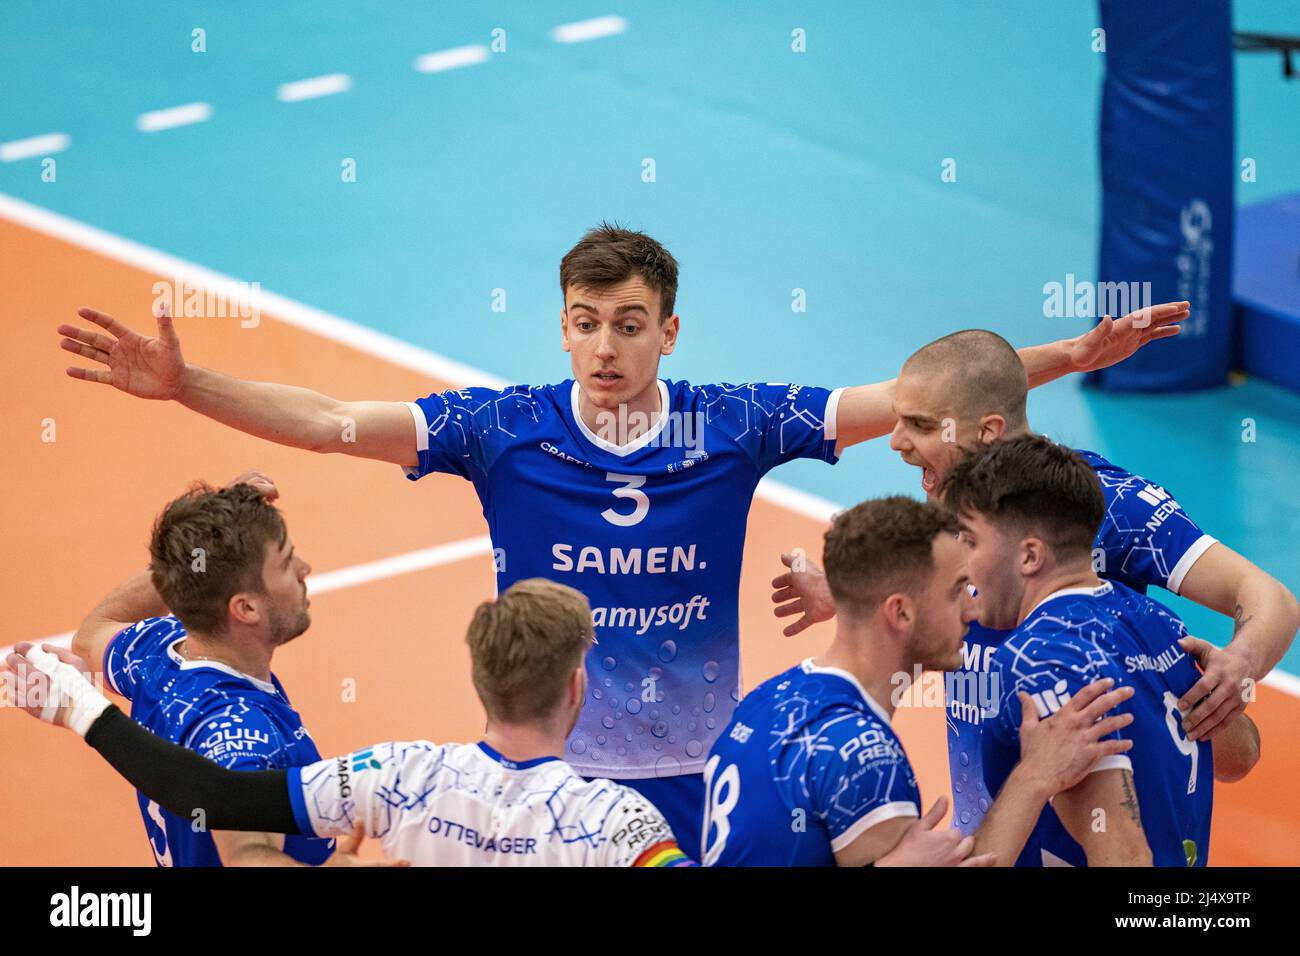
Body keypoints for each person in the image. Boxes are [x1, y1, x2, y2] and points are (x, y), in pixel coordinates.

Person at [57, 224, 1185, 848]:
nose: (607, 346)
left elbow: (906, 396)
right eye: (587, 324)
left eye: (631, 325)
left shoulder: (728, 421)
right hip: (545, 775)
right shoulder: (496, 428)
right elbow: (327, 422)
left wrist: (1060, 360)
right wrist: (189, 382)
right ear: (562, 327)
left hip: (699, 777)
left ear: (668, 331)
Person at [771, 329, 1297, 833]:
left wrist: (1238, 669)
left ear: (989, 432)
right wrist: (846, 596)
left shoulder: (1103, 505)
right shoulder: (957, 508)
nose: (895, 441)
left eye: (921, 425)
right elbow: (935, 608)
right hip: (992, 838)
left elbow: (1266, 596)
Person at [6, 579, 707, 866]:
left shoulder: (393, 776)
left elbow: (214, 795)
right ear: (577, 686)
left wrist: (81, 709)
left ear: (479, 680)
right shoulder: (622, 824)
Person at [703, 496, 1135, 866]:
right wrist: (1035, 775)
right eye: (956, 592)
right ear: (901, 613)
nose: (973, 613)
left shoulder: (768, 697)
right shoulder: (864, 756)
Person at [943, 436, 1262, 866]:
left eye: (971, 542)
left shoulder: (1038, 658)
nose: (963, 564)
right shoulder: (1160, 623)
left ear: (1031, 555)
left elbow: (1125, 857)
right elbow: (1241, 756)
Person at [68, 471, 370, 866]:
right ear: (245, 608)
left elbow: (91, 633)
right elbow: (246, 860)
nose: (305, 568)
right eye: (285, 563)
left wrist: (199, 551)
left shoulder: (156, 651)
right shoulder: (240, 734)